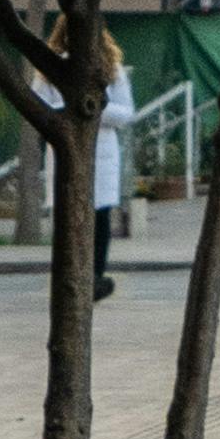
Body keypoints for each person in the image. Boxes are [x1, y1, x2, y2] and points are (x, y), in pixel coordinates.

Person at [89, 35, 129, 301]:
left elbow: (125, 112)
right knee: (68, 221)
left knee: (100, 218)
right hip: (65, 151)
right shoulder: (51, 66)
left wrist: (97, 107)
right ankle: (74, 277)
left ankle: (96, 276)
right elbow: (42, 105)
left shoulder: (112, 68)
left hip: (102, 152)